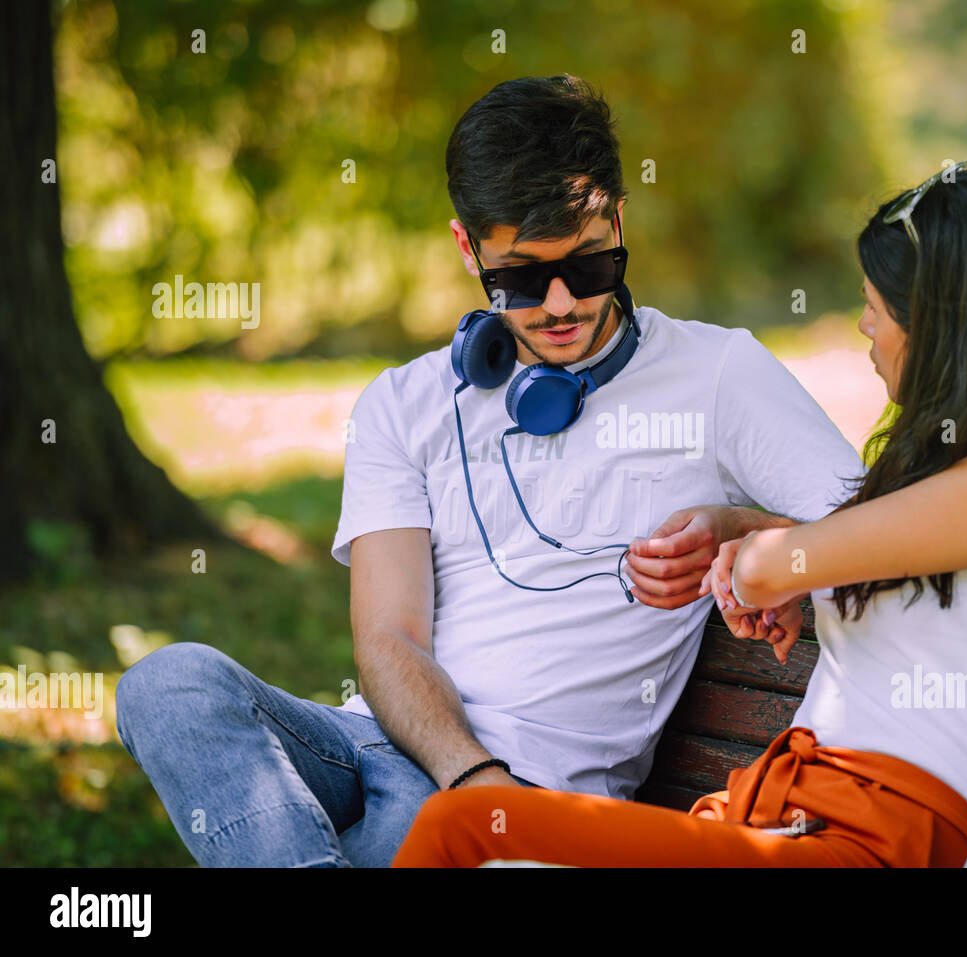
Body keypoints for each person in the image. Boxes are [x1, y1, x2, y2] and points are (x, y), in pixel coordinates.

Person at [112, 75, 865, 867]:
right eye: (522, 277)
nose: (563, 302)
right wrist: (471, 776)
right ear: (466, 248)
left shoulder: (718, 376)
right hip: (385, 745)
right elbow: (389, 637)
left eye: (590, 262)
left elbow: (882, 529)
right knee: (168, 684)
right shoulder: (403, 403)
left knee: (392, 842)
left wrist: (746, 527)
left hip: (537, 803)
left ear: (618, 216)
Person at [391, 161, 967, 867]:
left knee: (472, 827)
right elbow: (869, 555)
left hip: (889, 840)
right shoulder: (951, 474)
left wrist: (762, 559)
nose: (866, 326)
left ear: (948, 321)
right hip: (784, 819)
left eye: (876, 306)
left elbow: (799, 560)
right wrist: (743, 533)